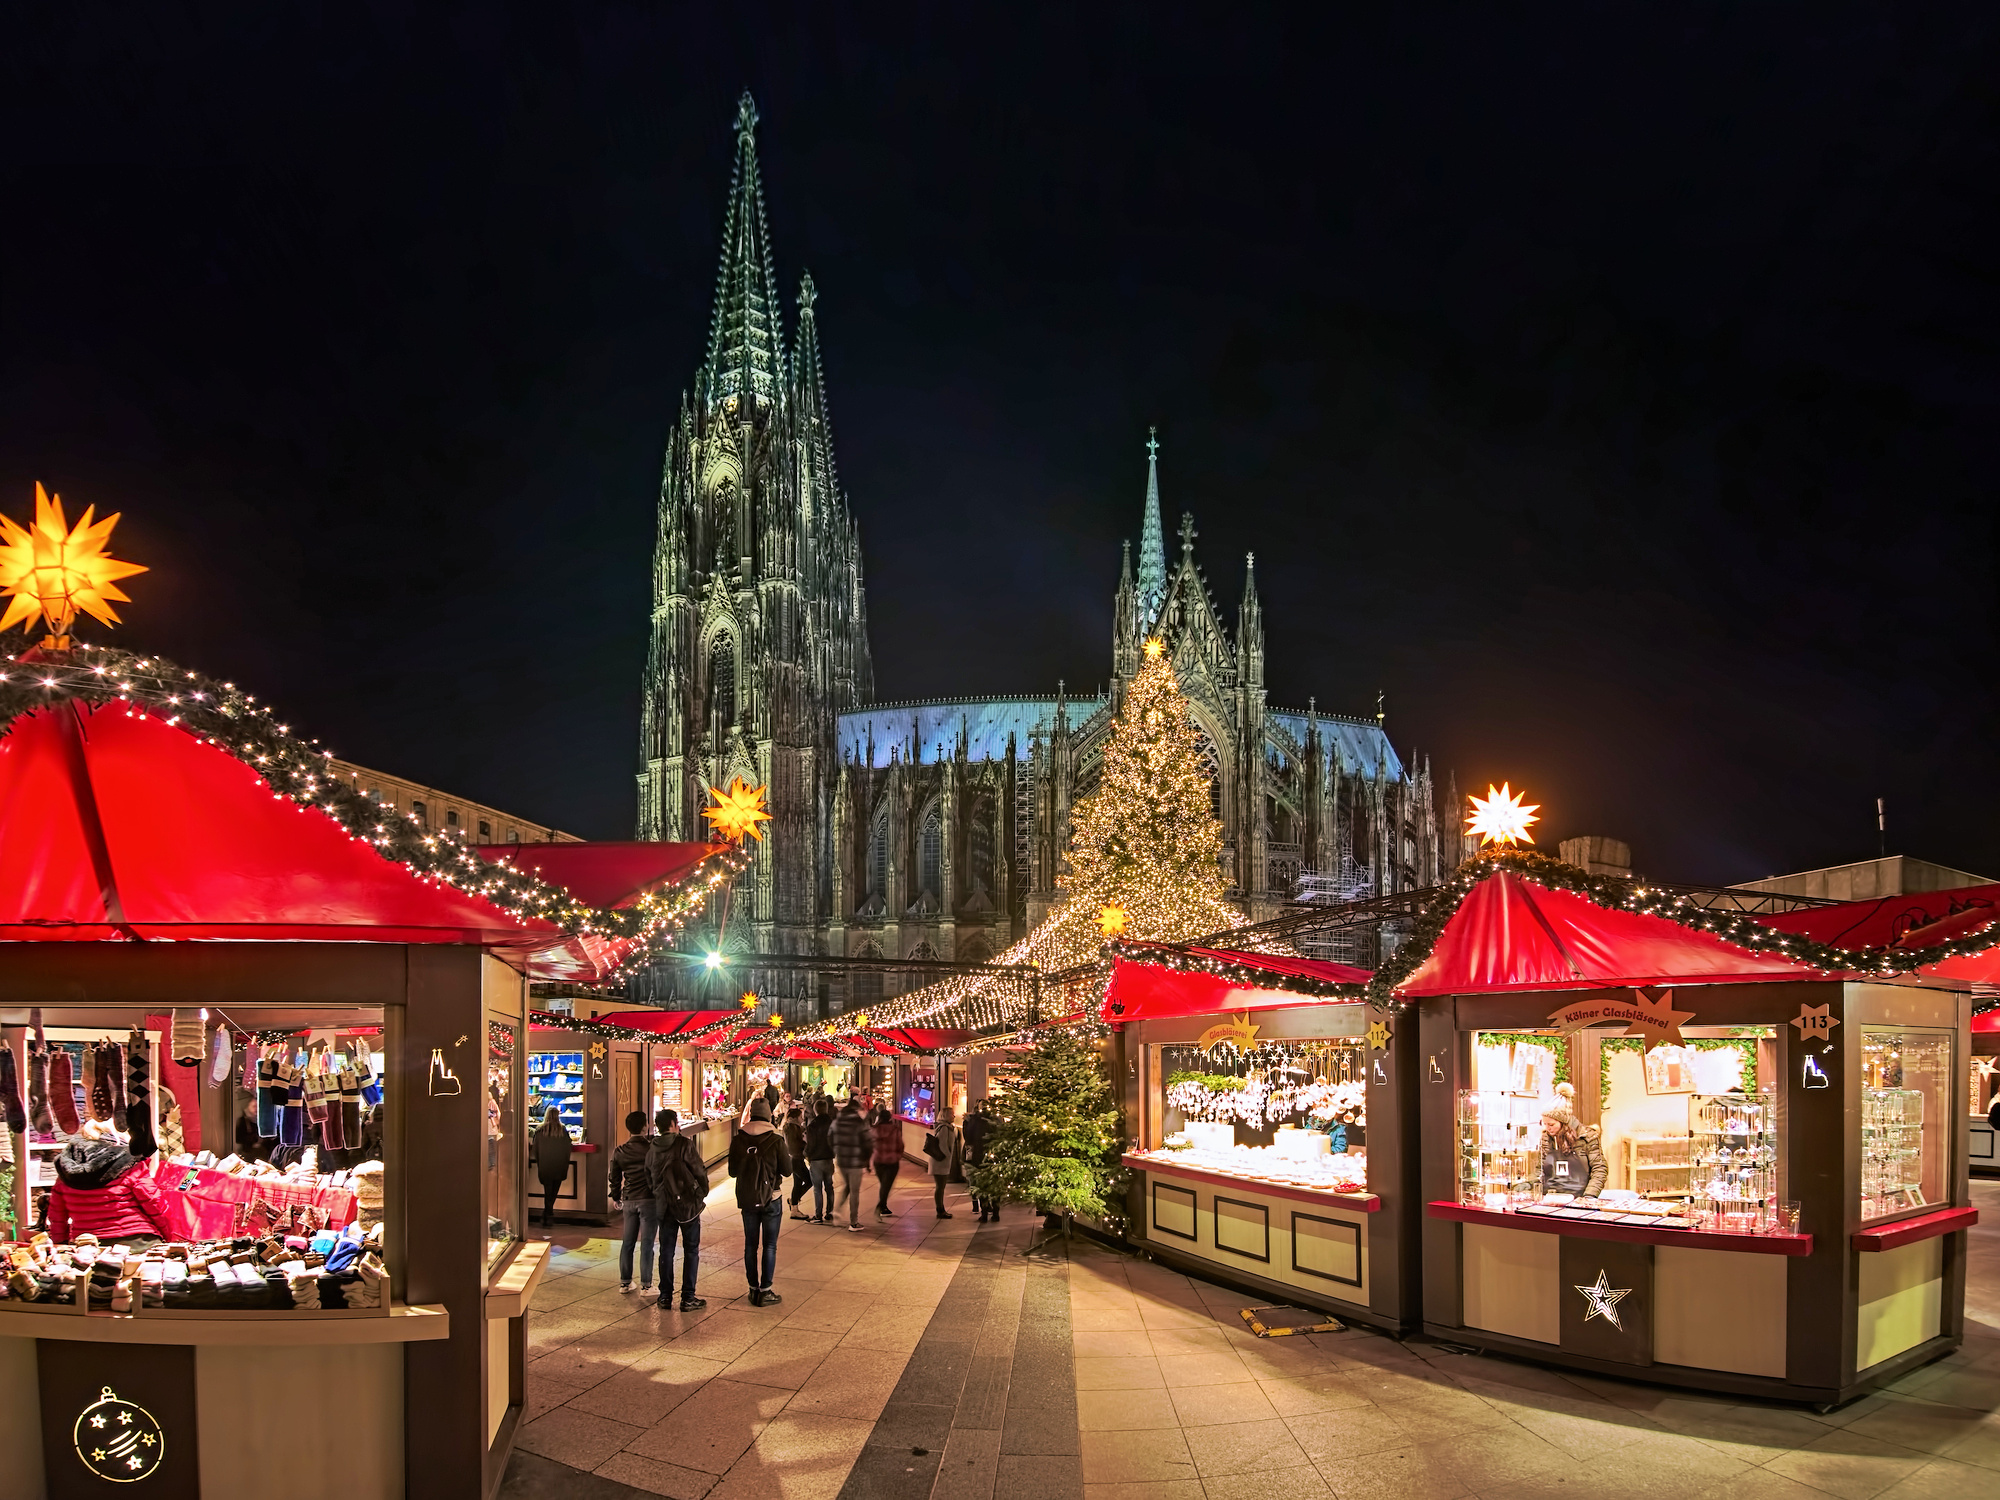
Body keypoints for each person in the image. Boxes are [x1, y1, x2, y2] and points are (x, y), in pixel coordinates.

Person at [49, 1136, 172, 1247]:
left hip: (89, 1245)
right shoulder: (130, 1168)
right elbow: (154, 1203)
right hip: (138, 1240)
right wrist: (168, 1234)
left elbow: (57, 1216)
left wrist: (60, 1244)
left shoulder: (65, 1178)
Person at [729, 1096, 791, 1306]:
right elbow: (787, 1171)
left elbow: (732, 1171)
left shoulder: (738, 1139)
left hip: (747, 1198)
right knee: (770, 1245)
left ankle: (752, 1289)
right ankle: (766, 1290)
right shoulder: (776, 1140)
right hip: (772, 1198)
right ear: (769, 1115)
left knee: (750, 1245)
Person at [648, 1109, 708, 1311]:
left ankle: (665, 1296)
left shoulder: (652, 1148)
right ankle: (688, 1297)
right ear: (674, 1124)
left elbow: (649, 1177)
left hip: (664, 1206)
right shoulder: (684, 1144)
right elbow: (698, 1170)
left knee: (666, 1250)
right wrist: (702, 1192)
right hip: (687, 1205)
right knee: (691, 1249)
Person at [610, 1110, 657, 1294]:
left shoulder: (620, 1151)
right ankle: (647, 1285)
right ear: (645, 1126)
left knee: (627, 1242)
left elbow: (614, 1176)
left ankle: (625, 1282)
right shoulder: (651, 1149)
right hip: (648, 1200)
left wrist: (616, 1196)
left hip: (628, 1199)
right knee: (647, 1243)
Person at [830, 1096, 871, 1231]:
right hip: (855, 1160)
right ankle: (854, 1222)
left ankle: (836, 1211)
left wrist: (836, 1150)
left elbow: (830, 1136)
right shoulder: (859, 1122)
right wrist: (867, 1160)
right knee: (854, 1191)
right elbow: (867, 1141)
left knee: (847, 1186)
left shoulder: (837, 1121)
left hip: (841, 1159)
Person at [531, 1107, 572, 1228]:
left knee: (547, 1191)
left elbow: (535, 1149)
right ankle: (548, 1214)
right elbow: (568, 1147)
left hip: (545, 1165)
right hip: (559, 1165)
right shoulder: (562, 1130)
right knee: (554, 1191)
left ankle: (548, 1214)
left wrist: (539, 1161)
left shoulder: (540, 1130)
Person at [962, 1098, 996, 1222]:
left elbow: (968, 1137)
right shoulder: (996, 1119)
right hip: (993, 1154)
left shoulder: (974, 1120)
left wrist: (966, 1122)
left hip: (978, 1155)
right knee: (993, 1184)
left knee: (981, 1184)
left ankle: (985, 1212)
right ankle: (996, 1211)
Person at [804, 1096, 835, 1223]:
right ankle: (830, 1212)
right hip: (829, 1158)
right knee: (829, 1186)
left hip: (816, 1159)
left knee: (817, 1188)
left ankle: (818, 1215)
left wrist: (807, 1154)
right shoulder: (832, 1124)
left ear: (815, 1110)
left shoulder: (813, 1125)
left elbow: (811, 1144)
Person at [927, 1105, 960, 1219]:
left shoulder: (947, 1127)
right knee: (940, 1187)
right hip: (940, 1162)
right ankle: (940, 1210)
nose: (954, 1116)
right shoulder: (945, 1128)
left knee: (941, 1186)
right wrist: (948, 1156)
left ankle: (941, 1209)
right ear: (946, 1115)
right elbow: (943, 1146)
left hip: (941, 1161)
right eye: (951, 1114)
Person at [870, 1101, 902, 1217]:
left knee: (884, 1183)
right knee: (886, 1184)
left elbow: (869, 1145)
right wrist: (898, 1155)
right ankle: (881, 1206)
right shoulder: (895, 1129)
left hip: (878, 1161)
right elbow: (900, 1145)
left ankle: (883, 1206)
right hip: (892, 1161)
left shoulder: (874, 1130)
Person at [784, 1105, 812, 1220]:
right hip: (796, 1158)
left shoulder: (791, 1126)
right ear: (795, 1117)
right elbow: (794, 1145)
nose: (802, 1118)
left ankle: (794, 1207)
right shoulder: (792, 1127)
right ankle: (793, 1202)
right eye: (800, 1116)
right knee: (809, 1181)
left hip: (795, 1158)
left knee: (797, 1184)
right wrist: (805, 1145)